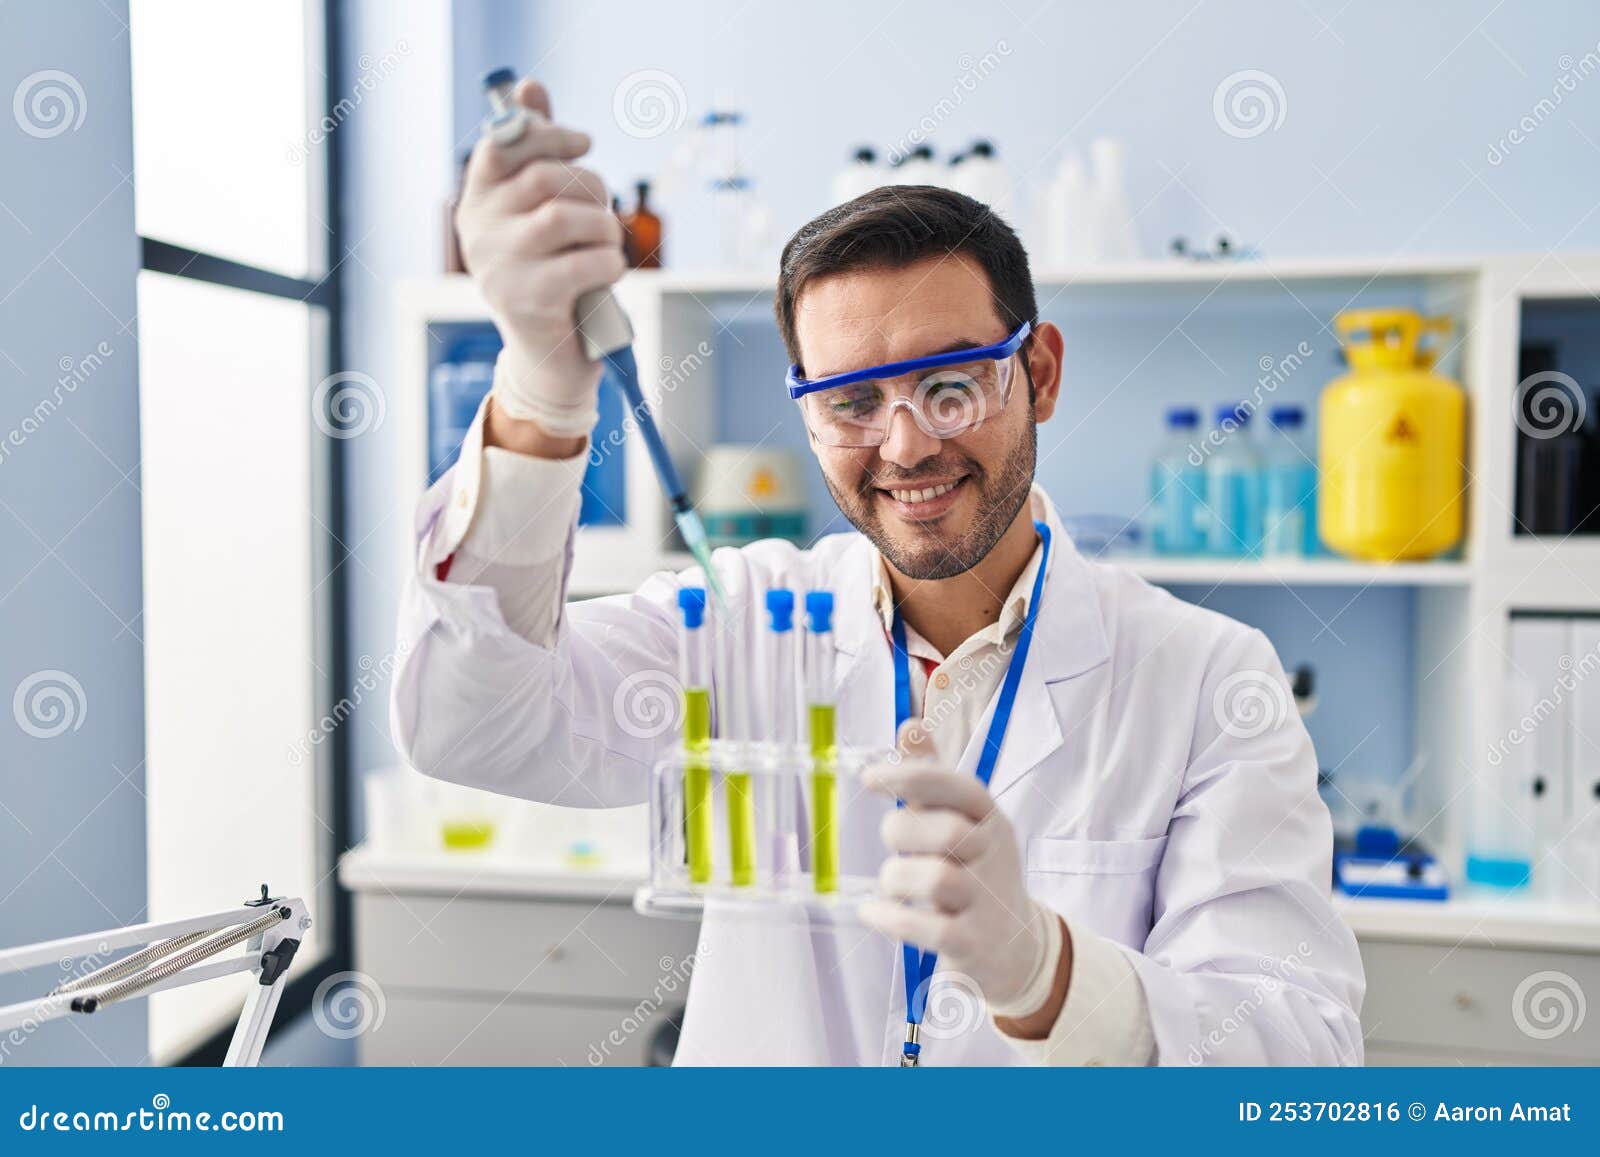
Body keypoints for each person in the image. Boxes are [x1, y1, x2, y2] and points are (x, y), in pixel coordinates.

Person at [391, 78, 1364, 1066]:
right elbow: (472, 723)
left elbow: (1296, 1058)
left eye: (951, 383)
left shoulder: (1208, 678)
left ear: (1040, 373)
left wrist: (1045, 973)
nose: (905, 444)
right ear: (807, 414)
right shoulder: (740, 620)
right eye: (851, 399)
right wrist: (542, 390)